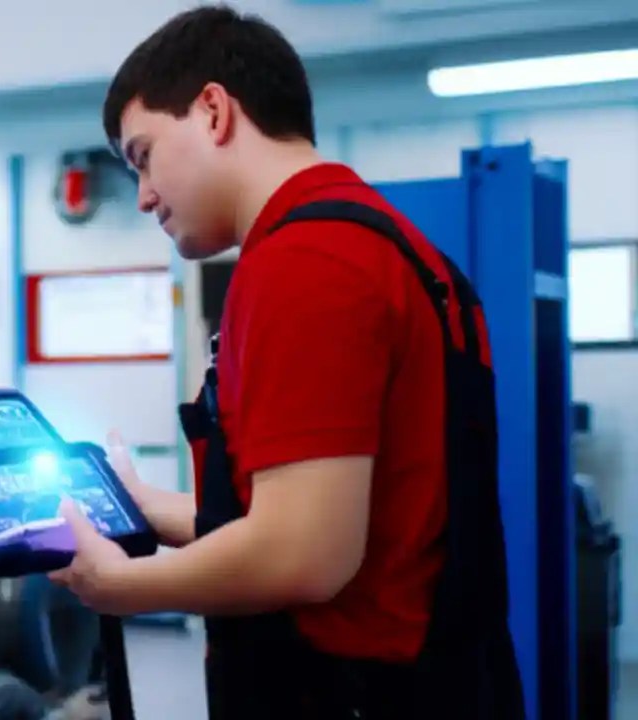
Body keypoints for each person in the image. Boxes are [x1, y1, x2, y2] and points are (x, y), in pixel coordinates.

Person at [47, 6, 525, 719]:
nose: (144, 195)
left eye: (143, 156)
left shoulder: (303, 262)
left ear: (213, 111)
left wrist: (119, 586)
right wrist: (148, 507)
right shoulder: (397, 248)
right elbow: (331, 519)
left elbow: (303, 553)